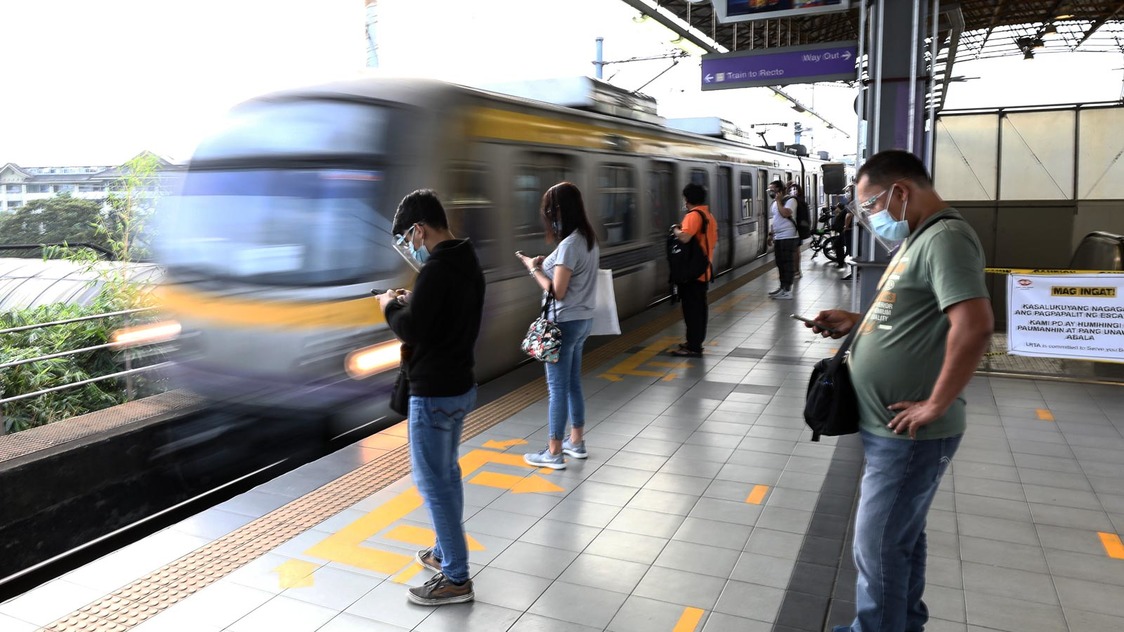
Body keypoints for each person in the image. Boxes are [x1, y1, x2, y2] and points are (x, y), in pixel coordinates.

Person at [804, 150, 993, 632]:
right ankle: (901, 624)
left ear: (901, 192)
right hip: (888, 428)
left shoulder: (945, 238)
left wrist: (937, 402)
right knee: (899, 539)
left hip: (908, 435)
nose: (870, 218)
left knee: (877, 545)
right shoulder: (921, 237)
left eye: (870, 207)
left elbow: (973, 327)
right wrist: (857, 322)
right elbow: (915, 316)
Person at [375, 189, 486, 607]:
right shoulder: (465, 259)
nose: (409, 247)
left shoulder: (437, 270)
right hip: (460, 385)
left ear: (419, 229)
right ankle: (443, 552)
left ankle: (456, 576)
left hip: (435, 391)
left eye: (408, 237)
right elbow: (440, 315)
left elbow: (413, 330)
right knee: (448, 475)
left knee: (432, 483)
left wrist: (389, 306)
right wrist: (412, 300)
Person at [516, 182, 600, 469]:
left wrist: (534, 269)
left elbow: (558, 291)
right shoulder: (588, 239)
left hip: (563, 323)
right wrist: (545, 263)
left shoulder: (569, 245)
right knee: (572, 383)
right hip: (582, 321)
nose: (549, 216)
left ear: (560, 211)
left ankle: (554, 451)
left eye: (551, 210)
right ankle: (575, 442)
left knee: (557, 388)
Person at [669, 182, 717, 357]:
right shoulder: (708, 215)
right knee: (699, 310)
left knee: (692, 312)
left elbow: (685, 237)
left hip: (692, 273)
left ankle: (694, 346)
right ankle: (694, 342)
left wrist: (674, 229)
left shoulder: (693, 215)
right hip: (703, 271)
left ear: (687, 199)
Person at [767, 180, 799, 299]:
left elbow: (785, 213)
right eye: (769, 190)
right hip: (778, 237)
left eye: (772, 190)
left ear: (780, 190)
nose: (770, 192)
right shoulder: (775, 202)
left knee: (787, 264)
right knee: (780, 263)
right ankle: (782, 287)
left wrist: (779, 201)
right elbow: (775, 219)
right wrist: (771, 234)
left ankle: (788, 291)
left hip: (789, 236)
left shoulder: (791, 200)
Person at [788, 181, 808, 278]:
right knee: (795, 250)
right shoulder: (800, 200)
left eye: (795, 189)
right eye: (791, 189)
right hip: (797, 229)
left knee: (795, 251)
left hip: (796, 230)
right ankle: (796, 271)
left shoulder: (797, 201)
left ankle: (797, 271)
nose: (793, 191)